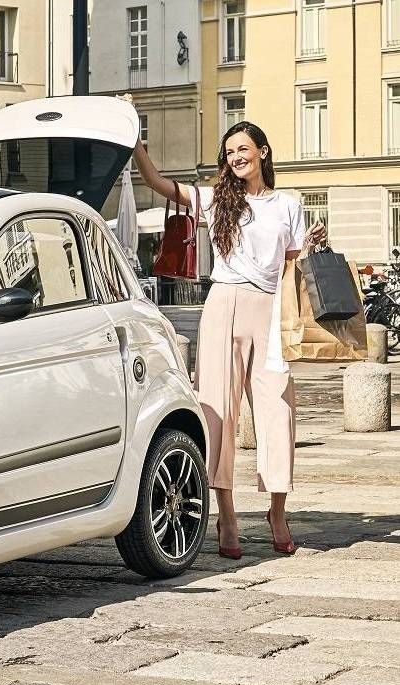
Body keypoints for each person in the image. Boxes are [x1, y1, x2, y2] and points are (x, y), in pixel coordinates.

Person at [133, 120, 326, 558]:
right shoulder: (217, 199)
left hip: (272, 310)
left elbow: (292, 264)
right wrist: (136, 142)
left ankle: (277, 509)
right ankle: (228, 515)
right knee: (217, 411)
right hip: (223, 306)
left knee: (278, 410)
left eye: (243, 149)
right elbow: (156, 183)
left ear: (262, 151)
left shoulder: (287, 205)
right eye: (229, 152)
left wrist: (311, 245)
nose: (236, 157)